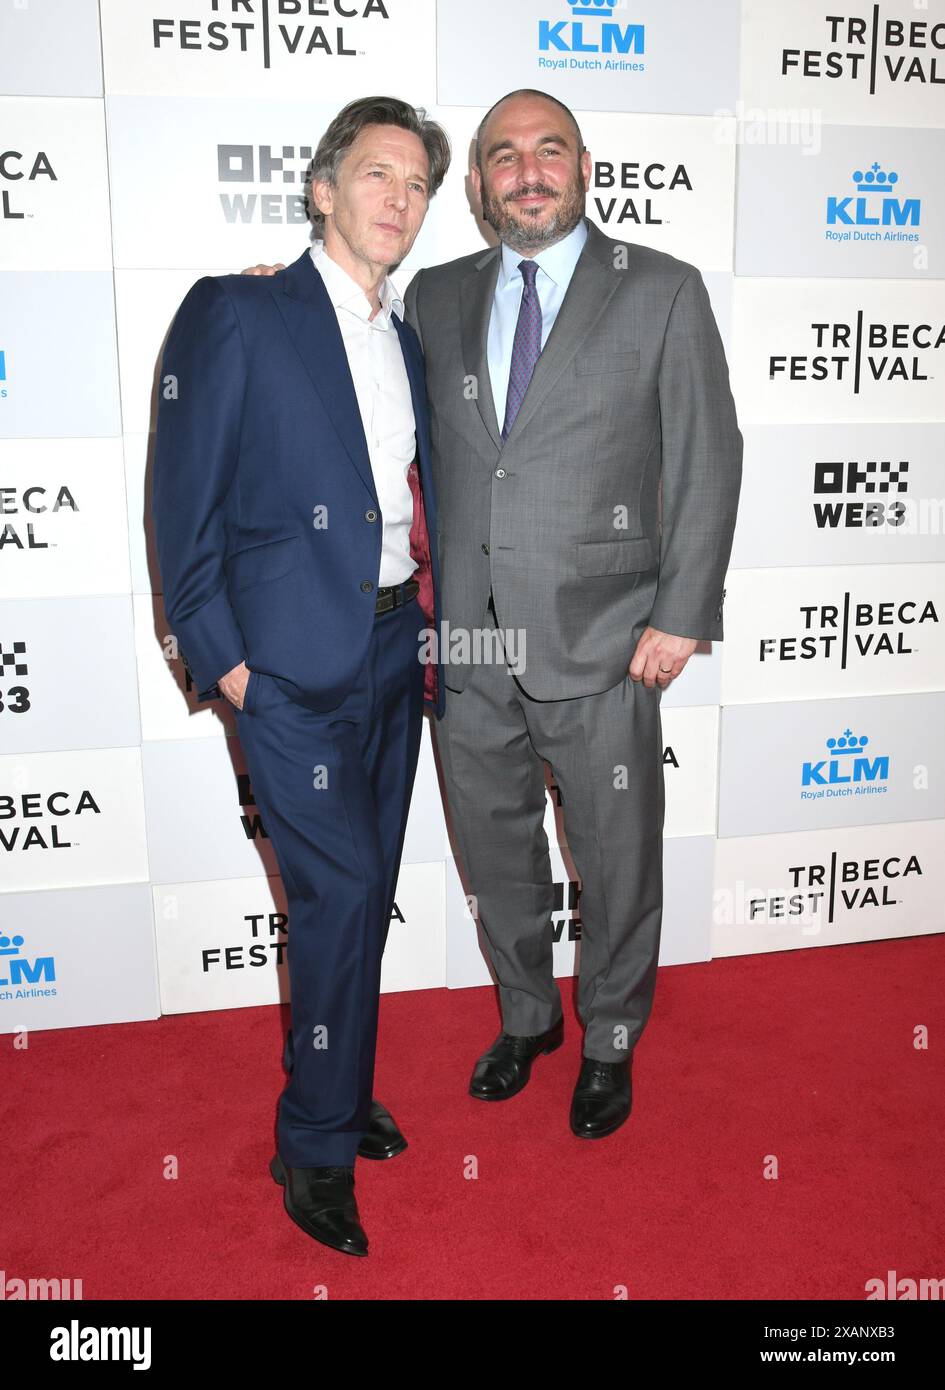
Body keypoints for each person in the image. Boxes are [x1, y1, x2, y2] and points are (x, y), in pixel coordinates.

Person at [243, 86, 743, 1144]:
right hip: (464, 645)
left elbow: (709, 457)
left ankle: (609, 1034)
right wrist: (270, 309)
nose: (528, 171)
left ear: (585, 166)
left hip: (609, 640)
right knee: (496, 854)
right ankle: (529, 1018)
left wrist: (683, 614)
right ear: (476, 185)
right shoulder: (433, 295)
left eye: (548, 150)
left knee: (615, 855)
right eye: (503, 155)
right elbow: (356, 381)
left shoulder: (659, 291)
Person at [152, 95, 450, 1256]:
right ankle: (313, 1144)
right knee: (336, 895)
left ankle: (339, 1078)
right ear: (322, 187)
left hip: (391, 649)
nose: (399, 197)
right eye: (377, 173)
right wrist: (229, 672)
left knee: (364, 897)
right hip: (284, 670)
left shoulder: (405, 337)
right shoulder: (238, 311)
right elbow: (185, 513)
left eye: (418, 183)